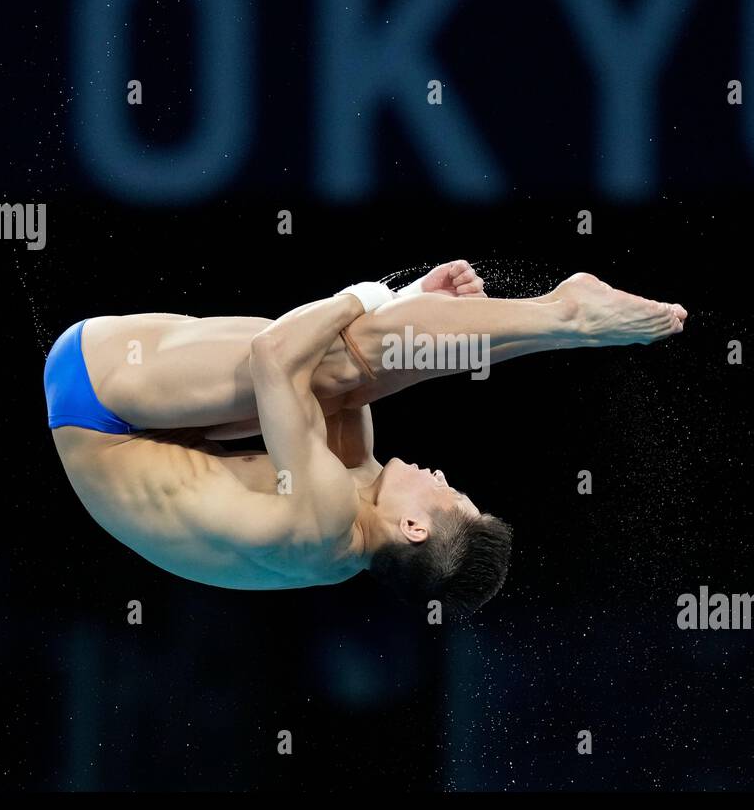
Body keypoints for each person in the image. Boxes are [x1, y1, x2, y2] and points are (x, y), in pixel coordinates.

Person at [44, 262, 686, 616]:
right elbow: (351, 399)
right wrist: (410, 306)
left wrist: (371, 296)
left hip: (97, 394)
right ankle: (562, 321)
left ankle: (568, 315)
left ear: (414, 527)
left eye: (448, 493)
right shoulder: (348, 532)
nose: (441, 475)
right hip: (148, 431)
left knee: (323, 364)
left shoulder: (323, 517)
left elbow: (277, 355)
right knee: (344, 379)